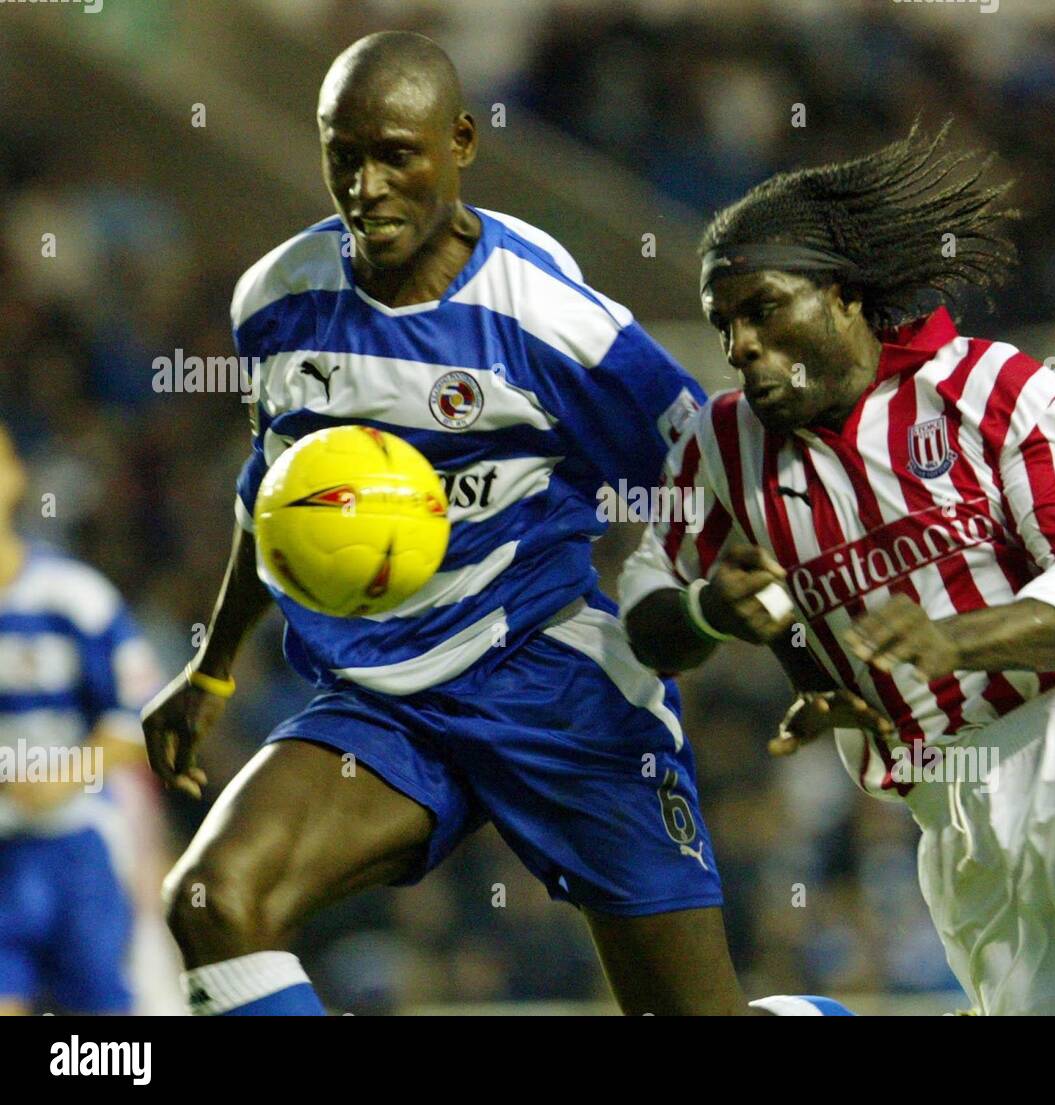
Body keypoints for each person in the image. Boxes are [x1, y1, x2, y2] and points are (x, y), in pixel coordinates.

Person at [141, 31, 848, 1017]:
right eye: (342, 152)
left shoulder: (553, 322)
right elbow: (275, 489)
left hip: (556, 680)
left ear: (462, 141)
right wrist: (214, 663)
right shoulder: (277, 300)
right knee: (213, 901)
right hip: (383, 705)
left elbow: (716, 480)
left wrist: (807, 658)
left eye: (396, 153)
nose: (366, 185)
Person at [620, 120, 1055, 1016]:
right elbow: (644, 610)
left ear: (842, 295)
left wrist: (957, 639)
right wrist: (708, 610)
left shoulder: (989, 386)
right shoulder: (723, 446)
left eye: (763, 309)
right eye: (726, 326)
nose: (740, 347)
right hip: (944, 815)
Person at [0, 424, 164, 1014]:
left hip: (77, 843)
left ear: (15, 476)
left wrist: (68, 774)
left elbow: (140, 718)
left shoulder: (74, 597)